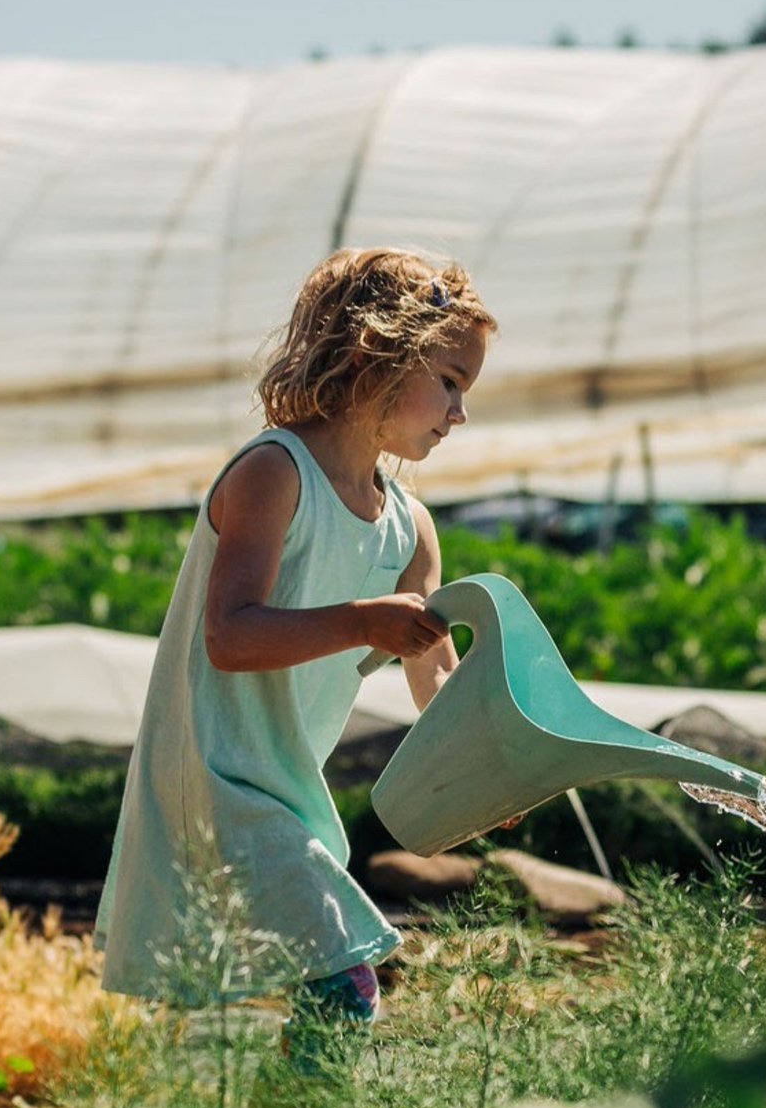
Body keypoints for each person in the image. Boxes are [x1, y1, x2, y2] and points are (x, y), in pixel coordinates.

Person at [95, 248, 495, 1043]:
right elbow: (230, 636)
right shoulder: (274, 473)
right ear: (373, 354)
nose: (459, 414)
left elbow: (434, 674)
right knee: (343, 985)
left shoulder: (409, 529)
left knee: (220, 1011)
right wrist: (360, 621)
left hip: (284, 786)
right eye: (449, 381)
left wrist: (491, 766)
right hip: (215, 776)